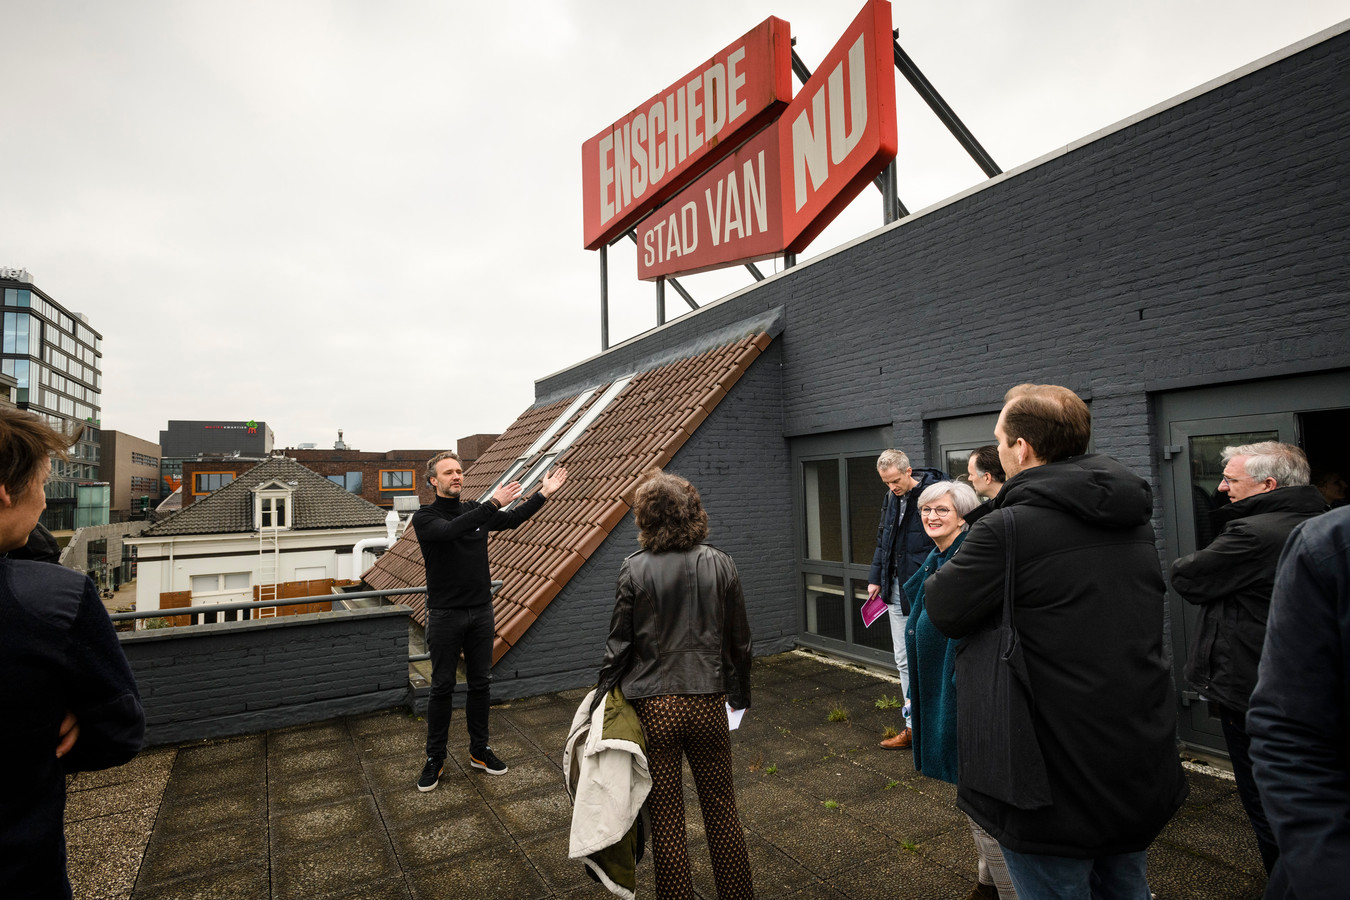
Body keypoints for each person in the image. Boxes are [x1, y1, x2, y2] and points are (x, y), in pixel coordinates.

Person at [926, 384, 1187, 900]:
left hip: (1045, 764)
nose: (996, 450)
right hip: (1127, 747)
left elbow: (943, 609)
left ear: (1021, 447)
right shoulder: (1130, 518)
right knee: (1124, 883)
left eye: (1000, 439)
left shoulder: (1006, 528)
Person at [0, 407, 145, 899]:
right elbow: (119, 734)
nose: (43, 502)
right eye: (42, 483)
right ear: (4, 492)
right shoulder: (52, 601)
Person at [595, 469, 754, 899]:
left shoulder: (633, 569)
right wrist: (739, 697)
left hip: (654, 708)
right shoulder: (721, 563)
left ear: (645, 518)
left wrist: (598, 704)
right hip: (707, 702)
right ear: (692, 513)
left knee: (665, 817)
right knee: (722, 810)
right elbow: (740, 641)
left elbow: (619, 647)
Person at [1169, 441, 1324, 874]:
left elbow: (1189, 576)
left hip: (1253, 689)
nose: (1220, 489)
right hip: (1310, 684)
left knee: (1267, 803)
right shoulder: (1326, 522)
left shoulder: (1253, 534)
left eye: (1232, 480)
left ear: (1268, 484)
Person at [413, 450, 567, 791]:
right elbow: (451, 531)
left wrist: (544, 494)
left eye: (459, 470)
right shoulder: (425, 518)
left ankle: (479, 750)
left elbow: (511, 519)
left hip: (481, 612)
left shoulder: (474, 511)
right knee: (441, 688)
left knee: (481, 683)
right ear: (433, 481)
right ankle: (434, 758)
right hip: (445, 616)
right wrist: (493, 503)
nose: (456, 476)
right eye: (448, 472)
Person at [902, 481, 1017, 900]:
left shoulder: (968, 562)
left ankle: (1007, 891)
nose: (931, 517)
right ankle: (988, 883)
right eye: (926, 511)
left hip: (963, 698)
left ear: (963, 515)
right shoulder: (936, 559)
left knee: (981, 804)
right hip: (942, 694)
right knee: (973, 799)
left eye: (942, 511)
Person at [1247, 505, 1350, 900]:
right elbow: (1290, 735)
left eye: (1229, 479)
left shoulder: (1321, 542)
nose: (1221, 488)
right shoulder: (1329, 542)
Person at [867, 449, 948, 750]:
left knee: (932, 657)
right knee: (903, 660)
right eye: (886, 483)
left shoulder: (933, 497)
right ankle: (913, 727)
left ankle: (939, 727)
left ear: (908, 471)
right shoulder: (891, 498)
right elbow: (882, 539)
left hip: (925, 589)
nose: (892, 487)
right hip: (894, 589)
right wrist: (877, 578)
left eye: (896, 481)